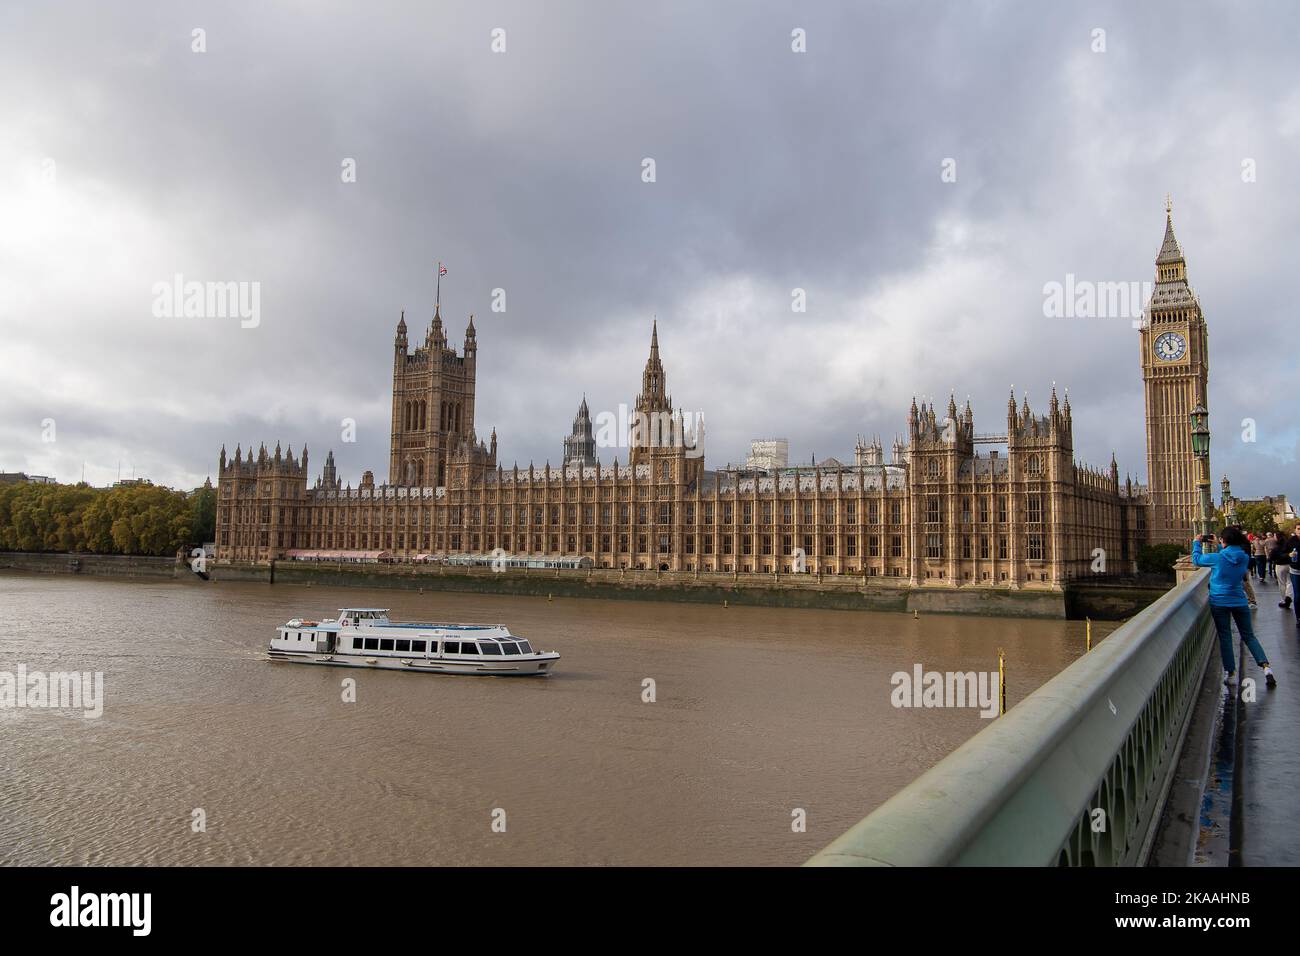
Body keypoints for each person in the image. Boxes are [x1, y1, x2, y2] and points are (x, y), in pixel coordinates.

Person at [1193, 528, 1277, 688]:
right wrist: (1220, 545)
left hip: (1219, 601)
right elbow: (1230, 559)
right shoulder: (1244, 557)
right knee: (1249, 636)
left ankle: (1230, 672)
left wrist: (1196, 543)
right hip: (1239, 601)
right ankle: (1266, 667)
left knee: (1225, 637)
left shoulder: (1217, 559)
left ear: (1224, 541)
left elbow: (1196, 560)